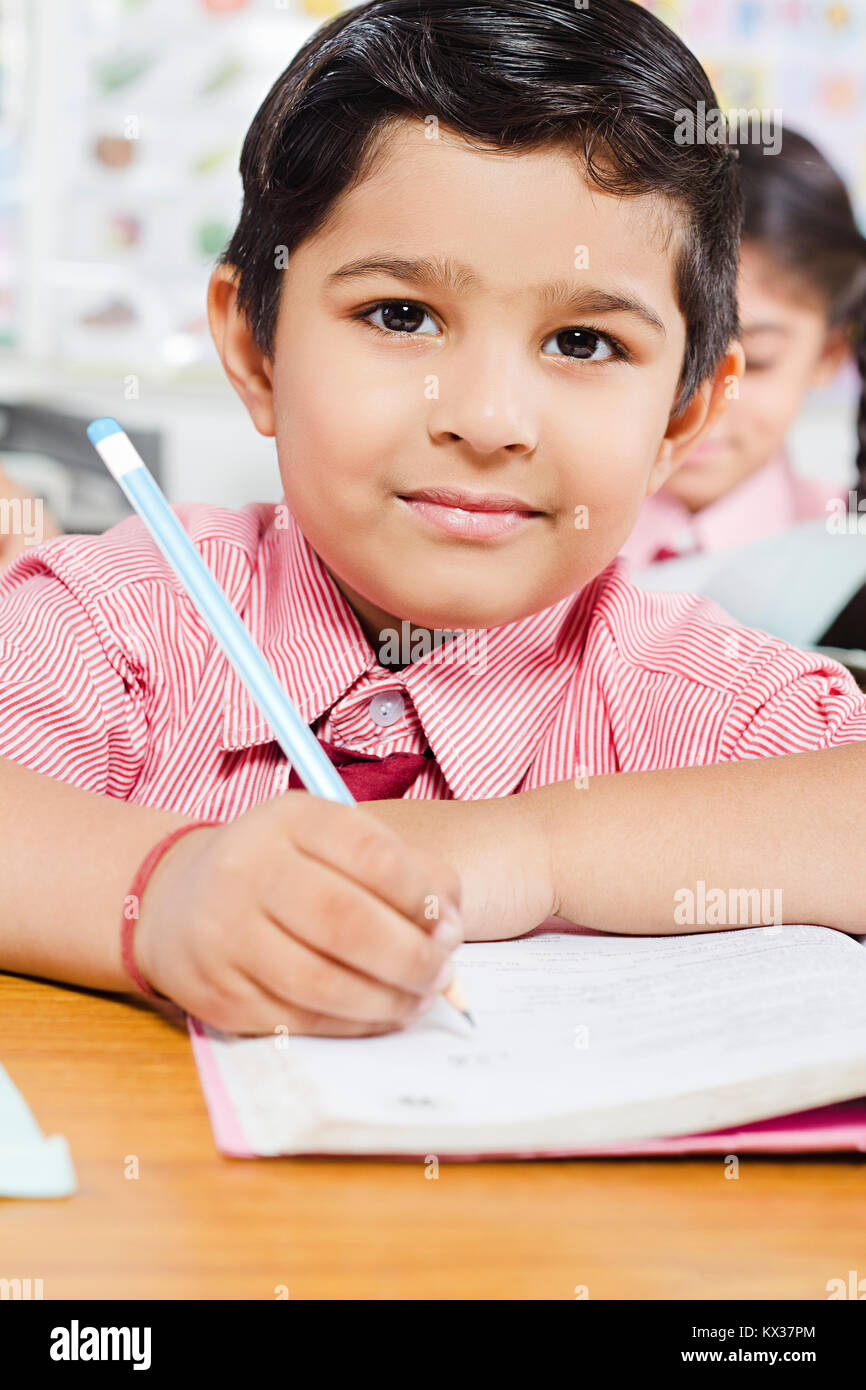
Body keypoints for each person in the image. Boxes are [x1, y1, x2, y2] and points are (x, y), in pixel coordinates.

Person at [1, 0, 865, 1041]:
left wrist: (522, 850)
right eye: (400, 316)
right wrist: (162, 891)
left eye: (583, 342)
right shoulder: (116, 623)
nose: (486, 420)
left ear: (683, 412)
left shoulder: (704, 704)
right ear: (254, 347)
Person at [620, 128, 866, 569]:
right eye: (676, 352)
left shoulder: (845, 548)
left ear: (828, 356)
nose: (696, 397)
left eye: (755, 362)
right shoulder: (528, 544)